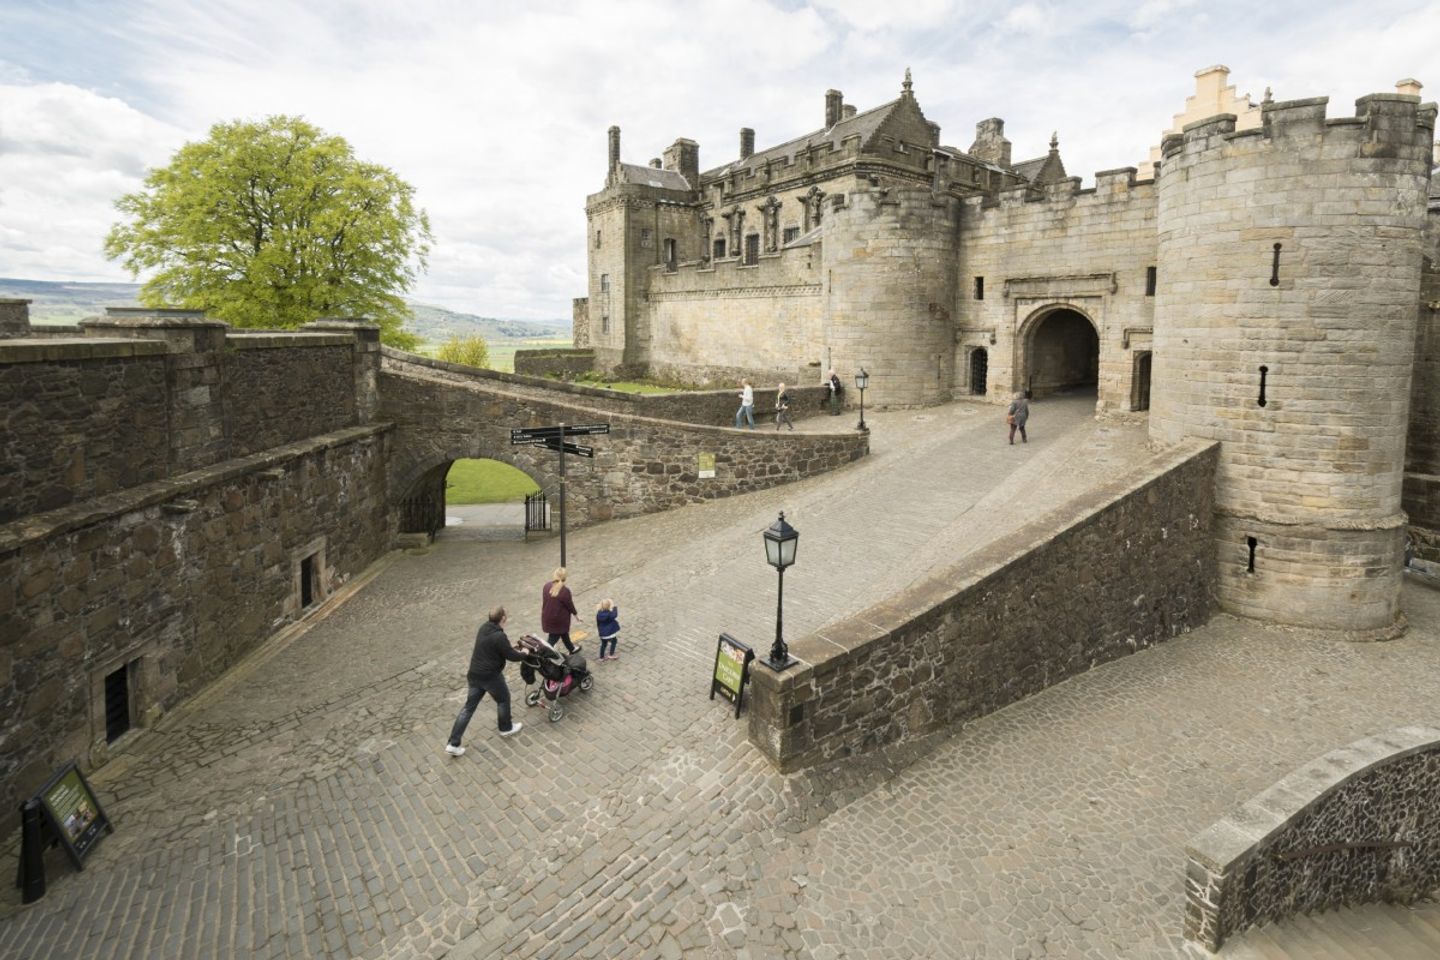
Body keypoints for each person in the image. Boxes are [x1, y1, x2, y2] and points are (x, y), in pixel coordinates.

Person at [445, 605, 525, 755]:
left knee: (468, 708)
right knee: (503, 699)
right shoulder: (499, 636)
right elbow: (512, 656)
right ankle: (506, 728)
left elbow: (496, 647)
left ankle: (453, 744)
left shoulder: (484, 628)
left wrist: (509, 647)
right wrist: (525, 653)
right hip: (490, 676)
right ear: (503, 619)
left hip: (475, 674)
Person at [542, 567, 580, 653]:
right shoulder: (565, 591)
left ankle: (571, 648)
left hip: (548, 616)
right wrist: (576, 615)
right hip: (558, 620)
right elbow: (569, 605)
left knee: (563, 632)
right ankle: (543, 655)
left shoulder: (546, 586)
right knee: (552, 639)